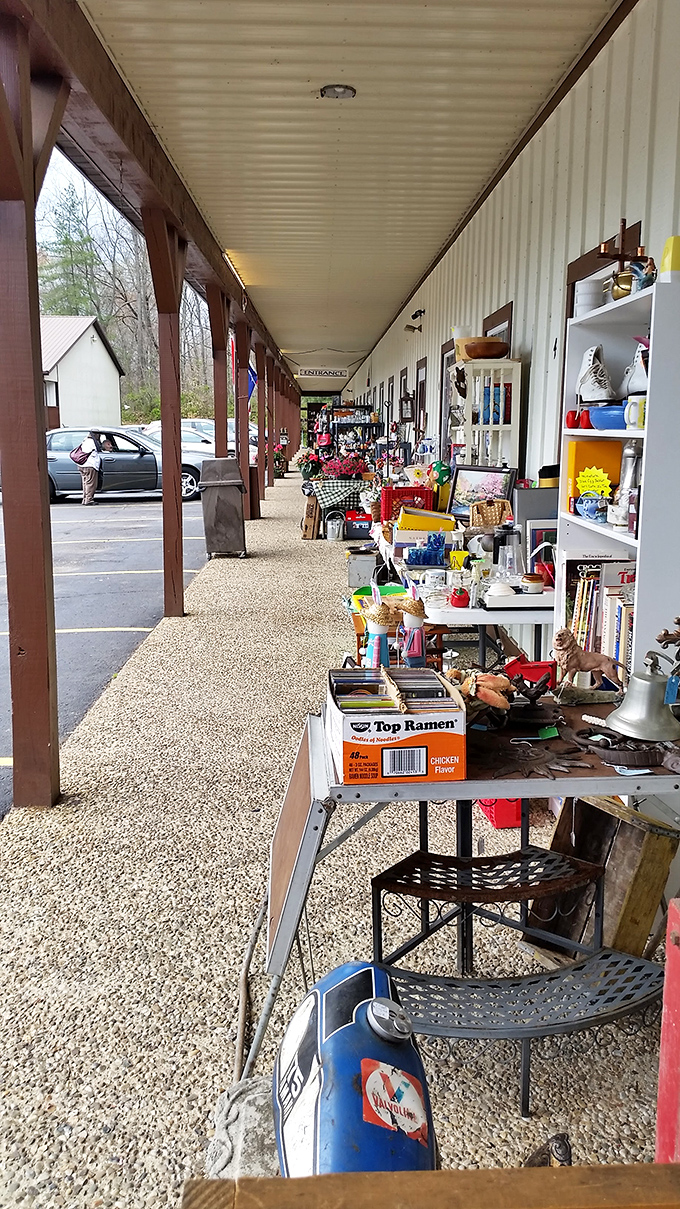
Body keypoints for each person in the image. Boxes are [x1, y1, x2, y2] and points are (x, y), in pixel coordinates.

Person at [79, 430, 102, 505]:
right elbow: (99, 450)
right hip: (90, 465)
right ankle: (89, 500)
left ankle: (85, 499)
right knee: (91, 483)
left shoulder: (85, 441)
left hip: (82, 464)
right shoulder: (92, 442)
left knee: (85, 483)